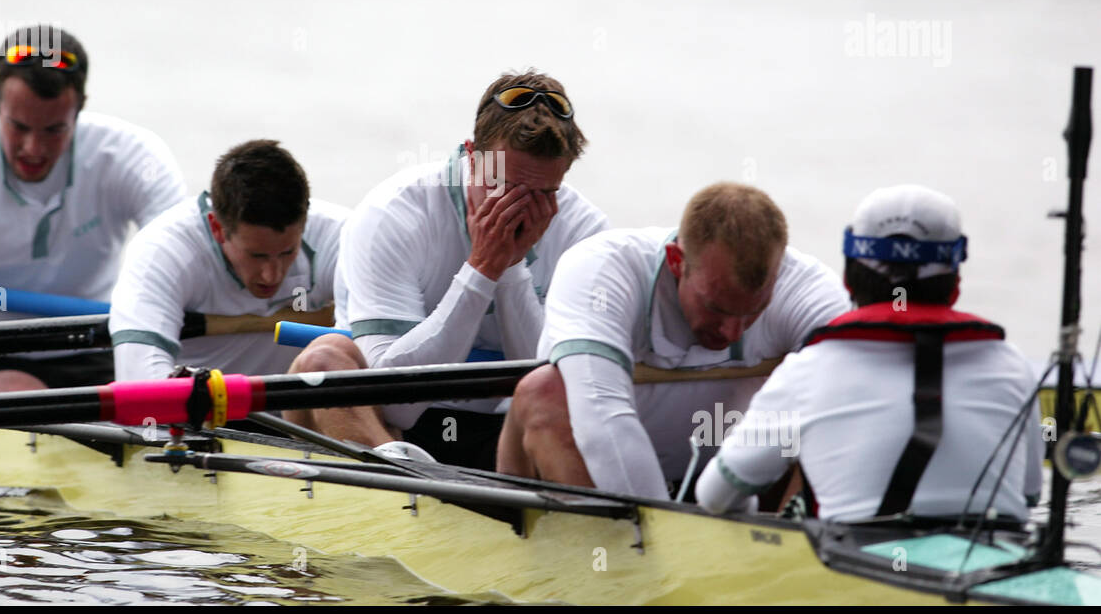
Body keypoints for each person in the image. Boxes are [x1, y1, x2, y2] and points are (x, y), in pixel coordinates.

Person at [286, 70, 610, 468]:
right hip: (393, 428)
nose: (523, 210)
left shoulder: (586, 231)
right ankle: (398, 498)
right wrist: (482, 269)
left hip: (509, 431)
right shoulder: (391, 215)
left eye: (543, 194)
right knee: (325, 359)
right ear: (472, 157)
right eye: (506, 187)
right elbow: (400, 406)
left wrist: (510, 268)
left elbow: (555, 387)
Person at [696, 185, 1044, 521]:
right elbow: (1029, 496)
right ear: (955, 286)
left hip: (853, 568)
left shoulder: (806, 372)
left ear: (848, 278)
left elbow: (714, 497)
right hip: (999, 562)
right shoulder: (1013, 367)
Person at [0, 25, 186, 395]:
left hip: (97, 340)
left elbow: (180, 279)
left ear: (80, 106)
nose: (33, 149)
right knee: (15, 391)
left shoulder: (135, 158)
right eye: (19, 126)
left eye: (54, 130)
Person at [497, 182, 849, 500]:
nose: (732, 332)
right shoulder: (600, 270)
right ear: (677, 262)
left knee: (832, 397)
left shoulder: (807, 286)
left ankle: (793, 548)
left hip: (721, 466)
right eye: (716, 308)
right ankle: (582, 548)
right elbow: (602, 419)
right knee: (542, 392)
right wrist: (663, 550)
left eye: (752, 312)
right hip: (591, 470)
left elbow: (855, 394)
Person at [109, 139, 348, 381]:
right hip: (200, 414)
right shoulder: (162, 253)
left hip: (299, 411)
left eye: (287, 252)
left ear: (305, 222)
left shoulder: (342, 237)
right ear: (217, 228)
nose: (272, 275)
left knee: (329, 359)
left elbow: (382, 356)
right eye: (257, 255)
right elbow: (139, 381)